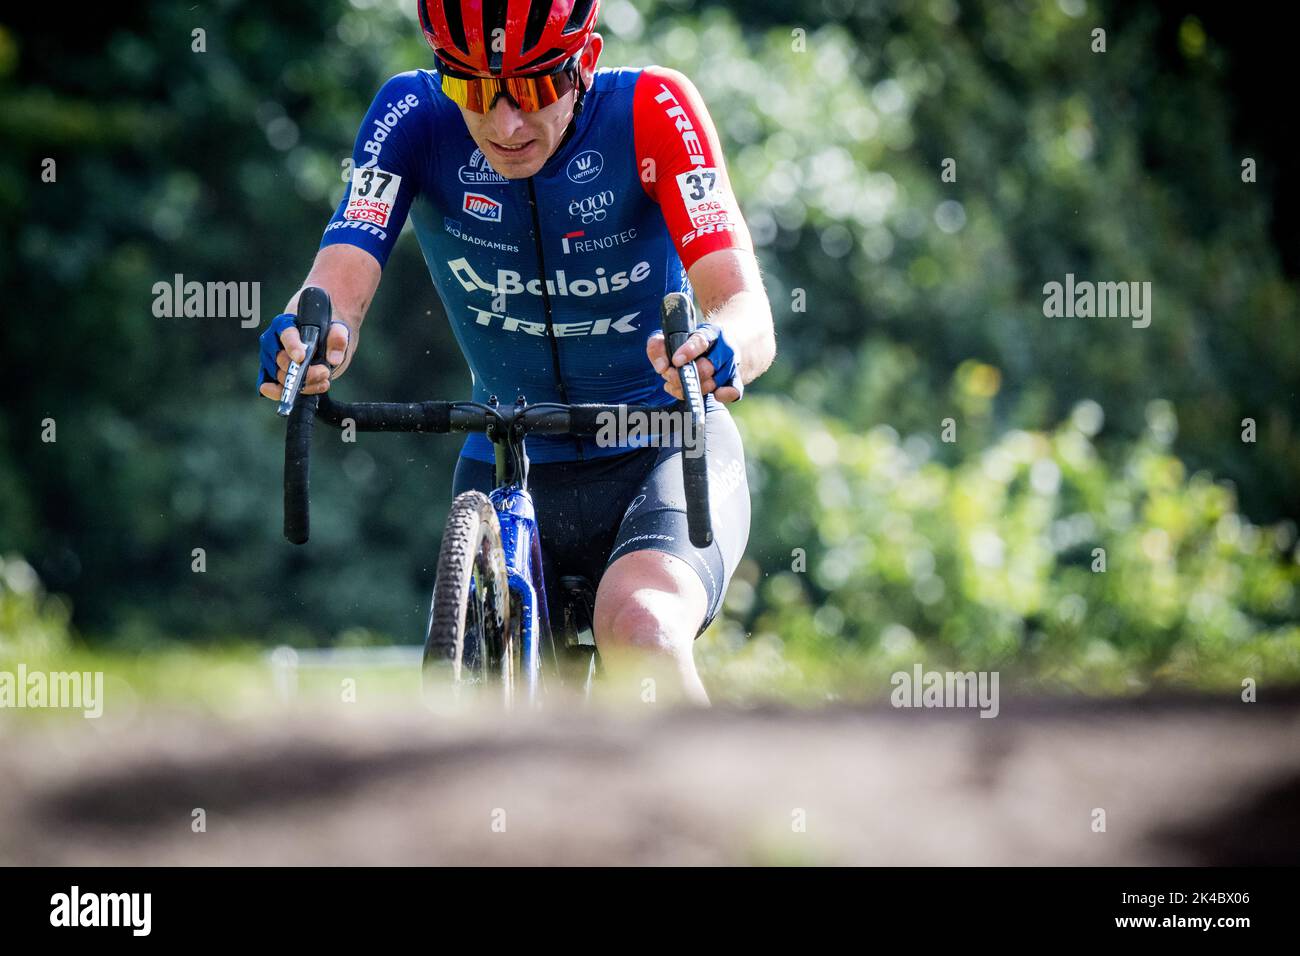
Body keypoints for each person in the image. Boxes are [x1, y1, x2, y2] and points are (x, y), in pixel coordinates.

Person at [257, 0, 775, 705]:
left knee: (642, 626)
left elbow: (745, 307)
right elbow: (334, 286)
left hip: (662, 445)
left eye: (531, 88)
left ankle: (711, 813)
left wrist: (722, 346)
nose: (505, 124)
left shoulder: (655, 108)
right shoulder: (410, 115)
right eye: (473, 88)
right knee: (492, 704)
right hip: (507, 454)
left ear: (583, 62)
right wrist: (306, 338)